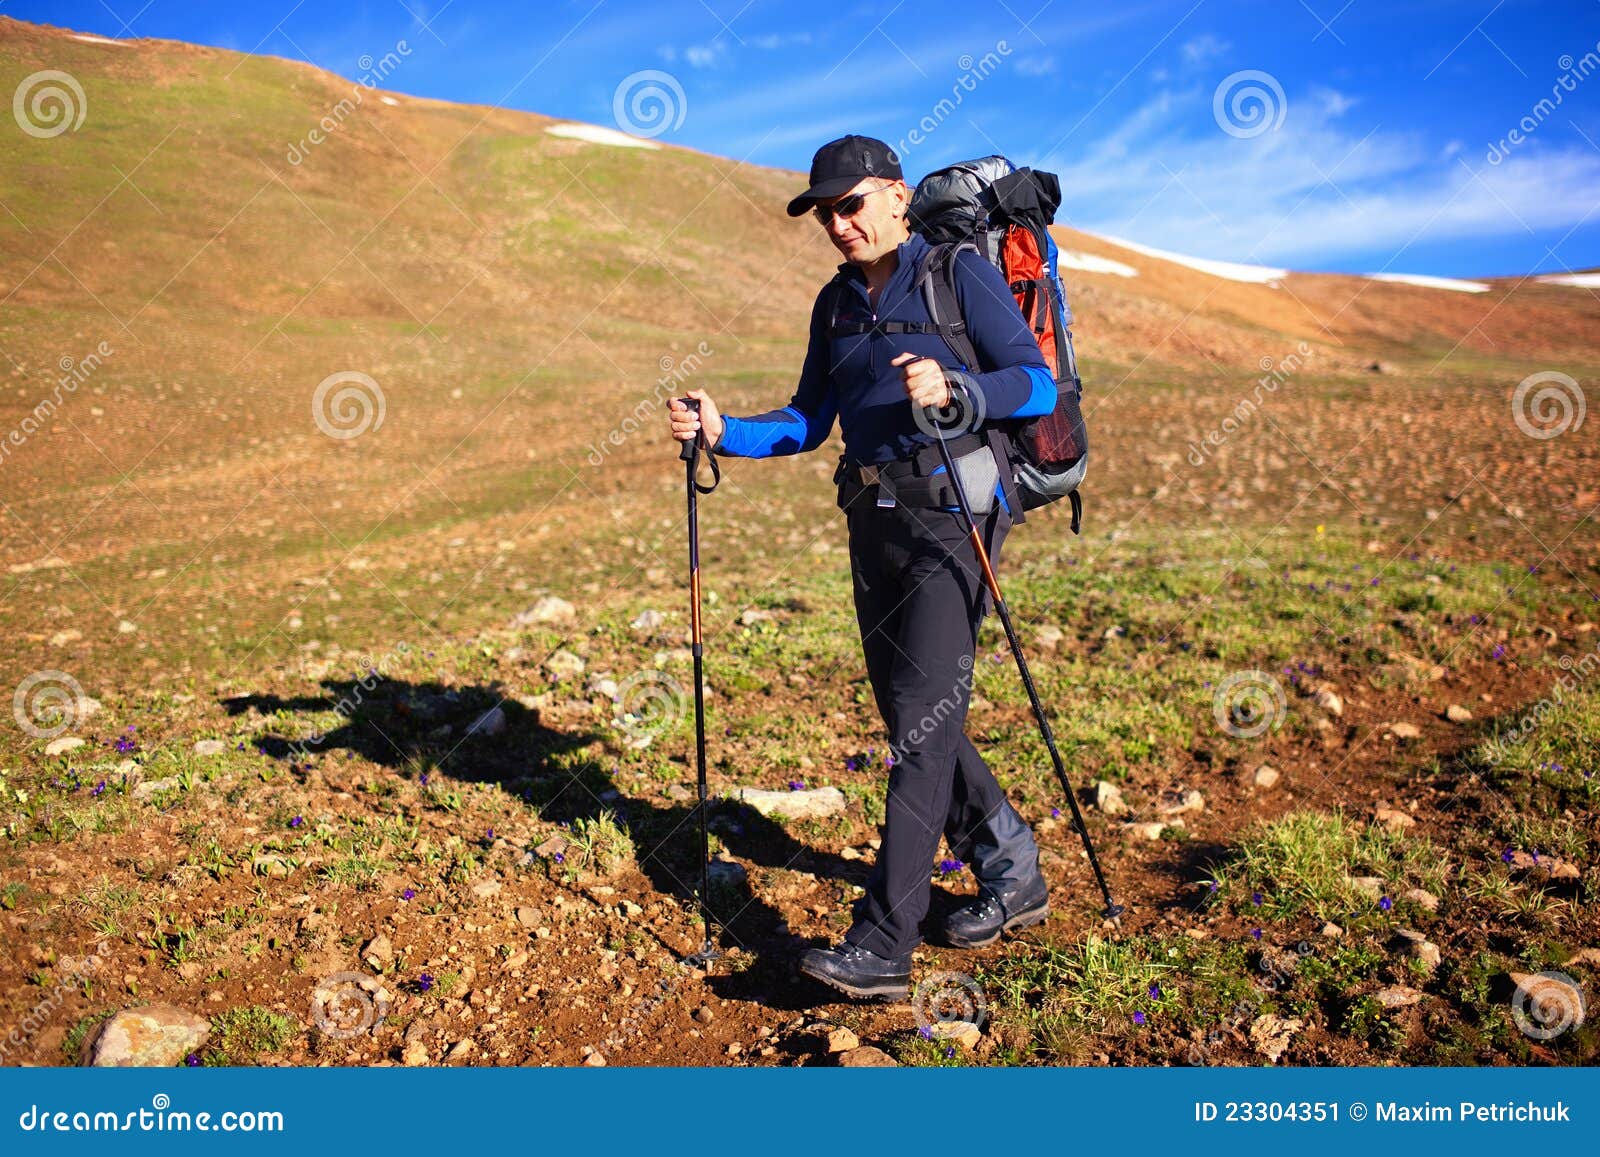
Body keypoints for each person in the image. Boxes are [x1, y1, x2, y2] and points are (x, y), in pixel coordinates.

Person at [667, 135, 1057, 1001]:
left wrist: (961, 390)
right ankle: (1012, 866)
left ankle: (885, 941)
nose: (838, 225)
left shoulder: (956, 272)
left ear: (896, 196)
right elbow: (811, 420)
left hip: (956, 515)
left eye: (851, 205)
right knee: (920, 717)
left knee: (918, 723)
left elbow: (1036, 384)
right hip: (871, 520)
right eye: (824, 213)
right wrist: (727, 428)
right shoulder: (835, 305)